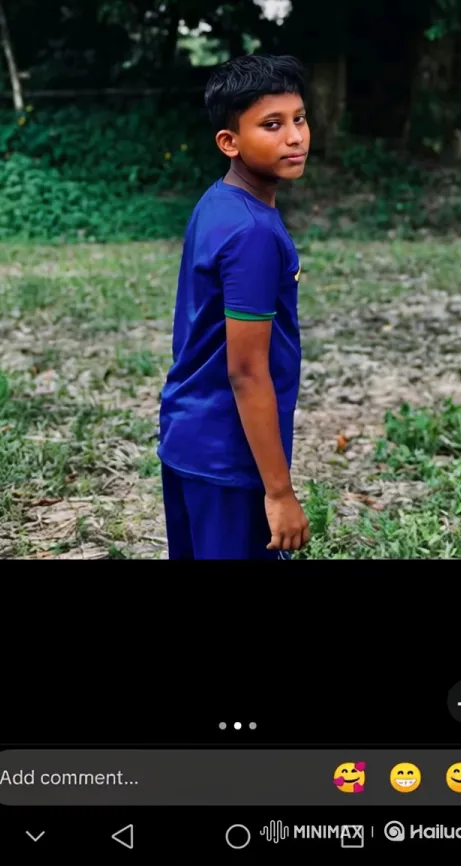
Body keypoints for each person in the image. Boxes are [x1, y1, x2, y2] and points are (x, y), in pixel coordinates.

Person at [157, 54, 311, 560]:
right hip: (228, 457)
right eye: (272, 124)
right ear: (230, 142)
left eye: (299, 118)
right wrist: (280, 492)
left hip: (189, 435)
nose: (294, 136)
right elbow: (246, 371)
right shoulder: (251, 233)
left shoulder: (219, 201)